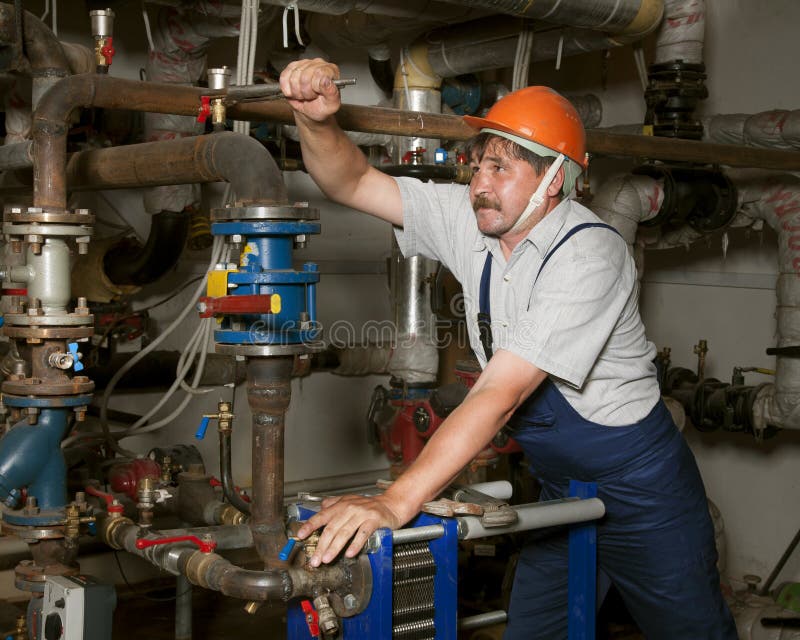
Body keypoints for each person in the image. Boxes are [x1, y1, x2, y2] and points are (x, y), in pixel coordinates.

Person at [279, 58, 737, 639]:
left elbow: (502, 393)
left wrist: (395, 502)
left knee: (693, 632)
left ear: (554, 179)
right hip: (561, 487)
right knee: (534, 628)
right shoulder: (473, 220)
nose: (479, 184)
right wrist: (316, 122)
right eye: (478, 165)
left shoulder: (590, 255)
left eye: (501, 167)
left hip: (644, 492)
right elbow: (352, 182)